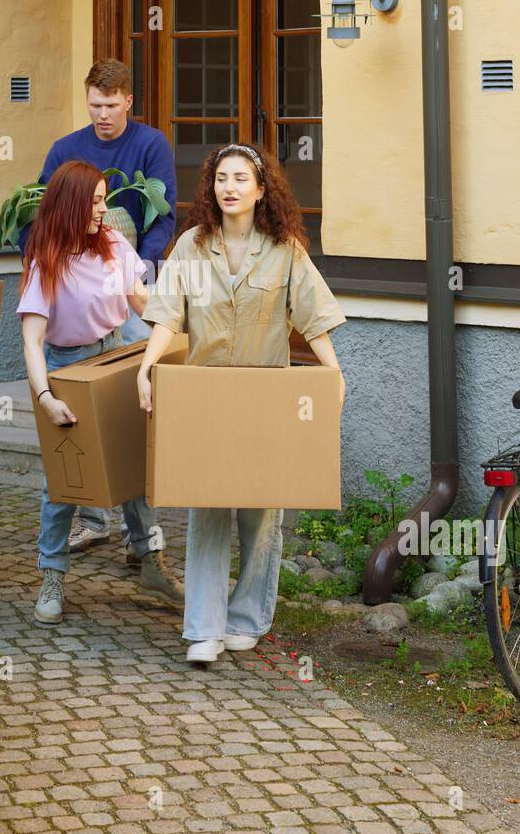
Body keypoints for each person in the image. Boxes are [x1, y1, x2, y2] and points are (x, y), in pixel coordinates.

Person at [136, 143, 346, 664]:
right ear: (211, 187)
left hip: (265, 395)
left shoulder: (285, 249)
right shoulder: (189, 246)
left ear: (260, 189)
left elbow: (312, 316)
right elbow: (167, 315)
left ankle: (247, 617)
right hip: (205, 393)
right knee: (206, 507)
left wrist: (333, 372)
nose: (229, 188)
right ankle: (203, 628)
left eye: (240, 179)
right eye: (220, 179)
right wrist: (147, 366)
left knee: (260, 509)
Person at [21, 57, 177, 559]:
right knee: (78, 436)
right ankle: (91, 521)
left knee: (126, 422)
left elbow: (162, 212)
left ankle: (143, 543)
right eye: (94, 106)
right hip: (76, 294)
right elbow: (38, 212)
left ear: (128, 101)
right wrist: (49, 260)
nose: (102, 115)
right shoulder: (65, 150)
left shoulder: (151, 145)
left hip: (124, 283)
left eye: (111, 106)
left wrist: (138, 266)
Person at [18, 159, 184, 624]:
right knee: (63, 483)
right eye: (93, 201)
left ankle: (151, 564)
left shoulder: (112, 243)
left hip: (115, 355)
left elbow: (141, 301)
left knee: (134, 470)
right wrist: (45, 397)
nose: (102, 209)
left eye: (103, 198)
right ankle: (52, 575)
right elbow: (32, 341)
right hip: (67, 369)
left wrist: (179, 326)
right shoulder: (44, 261)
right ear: (71, 204)